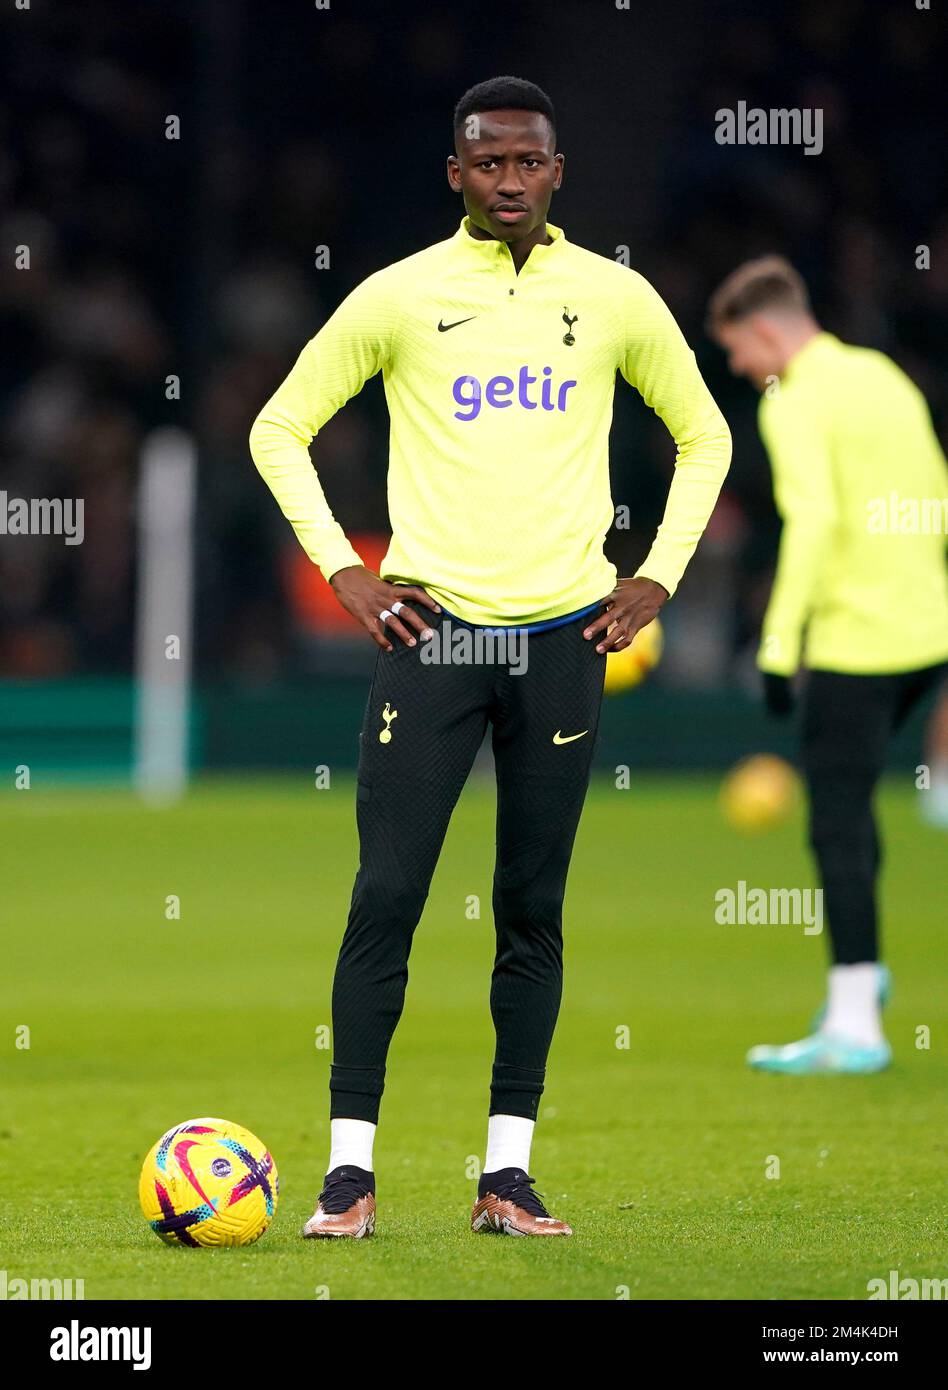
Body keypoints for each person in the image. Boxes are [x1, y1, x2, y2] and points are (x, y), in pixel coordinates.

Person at [250, 75, 730, 1237]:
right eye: (487, 161)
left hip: (566, 640)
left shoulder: (613, 298)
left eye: (528, 162)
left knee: (532, 906)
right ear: (454, 174)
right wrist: (346, 570)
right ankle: (348, 1177)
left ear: (558, 174)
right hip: (435, 636)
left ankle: (506, 1174)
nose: (508, 180)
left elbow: (704, 431)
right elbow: (279, 425)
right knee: (388, 898)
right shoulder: (401, 296)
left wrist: (657, 574)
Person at [707, 255, 948, 1075]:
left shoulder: (795, 398)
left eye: (739, 349)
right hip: (928, 629)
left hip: (857, 639)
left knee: (837, 820)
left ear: (767, 329)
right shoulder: (883, 374)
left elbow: (809, 523)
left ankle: (855, 1022)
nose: (741, 367)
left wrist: (778, 647)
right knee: (858, 811)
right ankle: (865, 977)